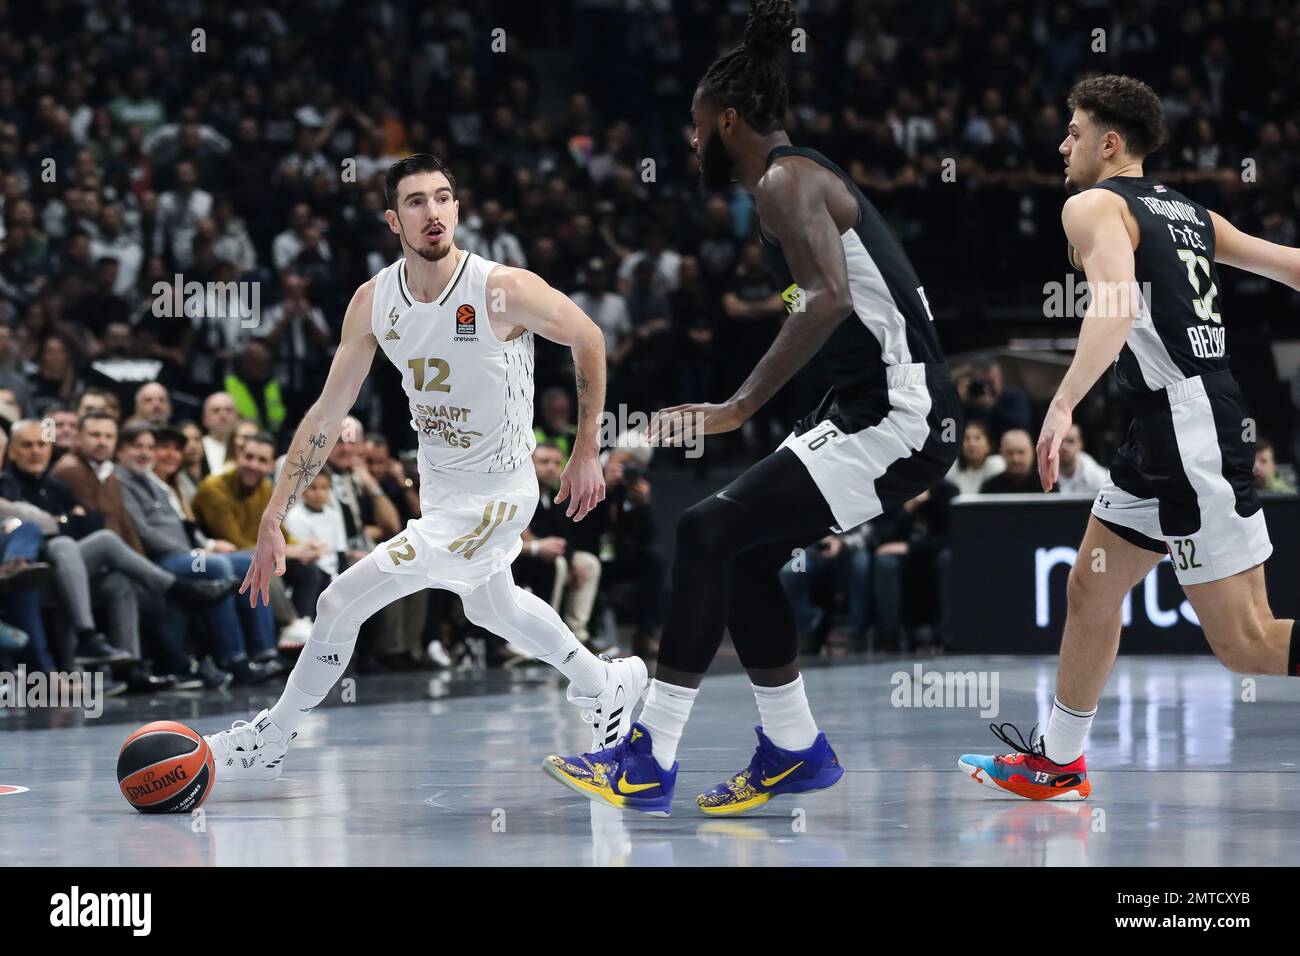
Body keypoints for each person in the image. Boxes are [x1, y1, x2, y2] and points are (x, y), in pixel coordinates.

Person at [544, 0, 959, 816]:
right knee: (739, 557)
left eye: (698, 128)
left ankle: (649, 756)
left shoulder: (781, 181)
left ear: (727, 119)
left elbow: (830, 299)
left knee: (704, 531)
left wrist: (735, 407)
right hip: (873, 407)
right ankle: (795, 748)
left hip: (896, 413)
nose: (693, 144)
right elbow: (832, 302)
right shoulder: (797, 178)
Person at [203, 154, 646, 780]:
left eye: (442, 198)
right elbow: (329, 412)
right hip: (441, 493)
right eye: (416, 202)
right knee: (491, 608)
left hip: (498, 495)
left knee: (337, 602)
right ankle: (605, 682)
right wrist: (274, 516)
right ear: (394, 220)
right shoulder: (373, 300)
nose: (432, 212)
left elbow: (590, 339)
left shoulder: (501, 288)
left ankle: (273, 734)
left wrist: (585, 451)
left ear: (457, 209)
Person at [960, 75, 1300, 801]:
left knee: (1249, 645)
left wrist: (1059, 407)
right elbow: (1289, 265)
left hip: (1190, 427)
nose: (1062, 145)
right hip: (1159, 432)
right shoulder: (1187, 212)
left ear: (1109, 143)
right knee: (1090, 586)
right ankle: (1058, 759)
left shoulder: (1091, 205)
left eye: (1073, 131)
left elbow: (1113, 307)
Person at [978, 429, 1051, 493]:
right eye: (1010, 453)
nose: (1016, 459)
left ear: (1032, 453)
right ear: (1002, 453)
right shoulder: (989, 488)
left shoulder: (1047, 486)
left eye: (1021, 452)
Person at [946, 420, 1004, 495]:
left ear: (989, 445)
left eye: (977, 438)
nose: (971, 443)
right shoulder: (952, 466)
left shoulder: (997, 463)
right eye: (967, 438)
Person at [1055, 423, 1108, 494]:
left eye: (1070, 441)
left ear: (1080, 444)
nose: (1064, 447)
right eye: (1059, 441)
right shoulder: (1042, 472)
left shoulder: (1097, 476)